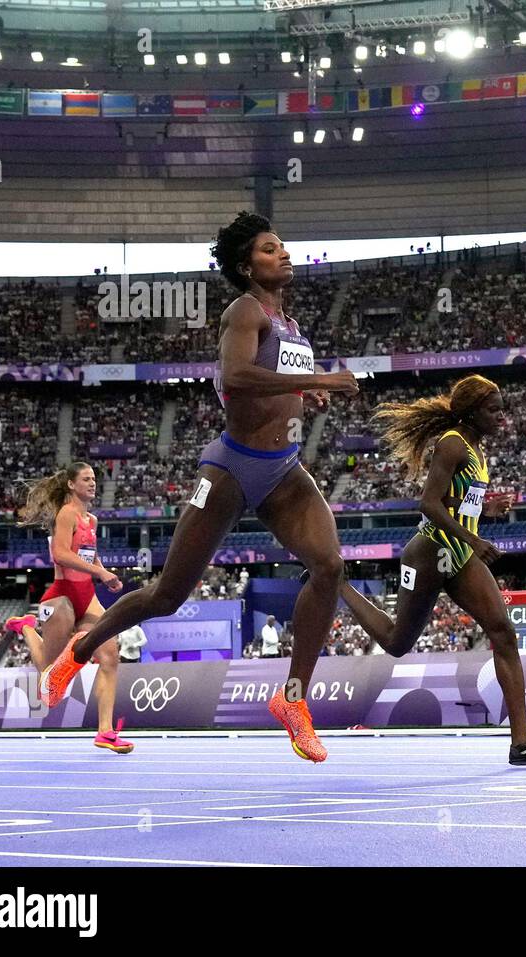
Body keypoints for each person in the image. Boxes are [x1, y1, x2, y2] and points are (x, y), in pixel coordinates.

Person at [36, 210, 360, 763]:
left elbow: (263, 384)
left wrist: (302, 397)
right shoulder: (243, 310)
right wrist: (318, 377)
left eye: (282, 246)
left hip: (283, 468)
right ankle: (79, 650)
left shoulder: (291, 325)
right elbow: (233, 378)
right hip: (231, 469)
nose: (283, 253)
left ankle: (294, 700)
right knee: (166, 596)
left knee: (329, 566)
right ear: (245, 265)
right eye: (268, 248)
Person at [303, 374, 526, 767]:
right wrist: (474, 539)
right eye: (493, 410)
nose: (501, 418)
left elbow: (457, 501)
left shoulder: (475, 447)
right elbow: (428, 504)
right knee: (396, 642)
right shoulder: (452, 445)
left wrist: (486, 511)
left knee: (503, 632)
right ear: (473, 412)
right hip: (429, 553)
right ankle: (339, 583)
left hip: (458, 556)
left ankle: (521, 743)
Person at [5, 462, 134, 754]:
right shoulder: (66, 514)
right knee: (50, 674)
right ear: (71, 485)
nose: (92, 483)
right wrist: (100, 574)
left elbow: (89, 555)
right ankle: (26, 626)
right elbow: (60, 554)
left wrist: (104, 571)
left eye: (94, 479)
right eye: (86, 479)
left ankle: (105, 732)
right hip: (60, 597)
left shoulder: (92, 520)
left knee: (110, 655)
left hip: (86, 596)